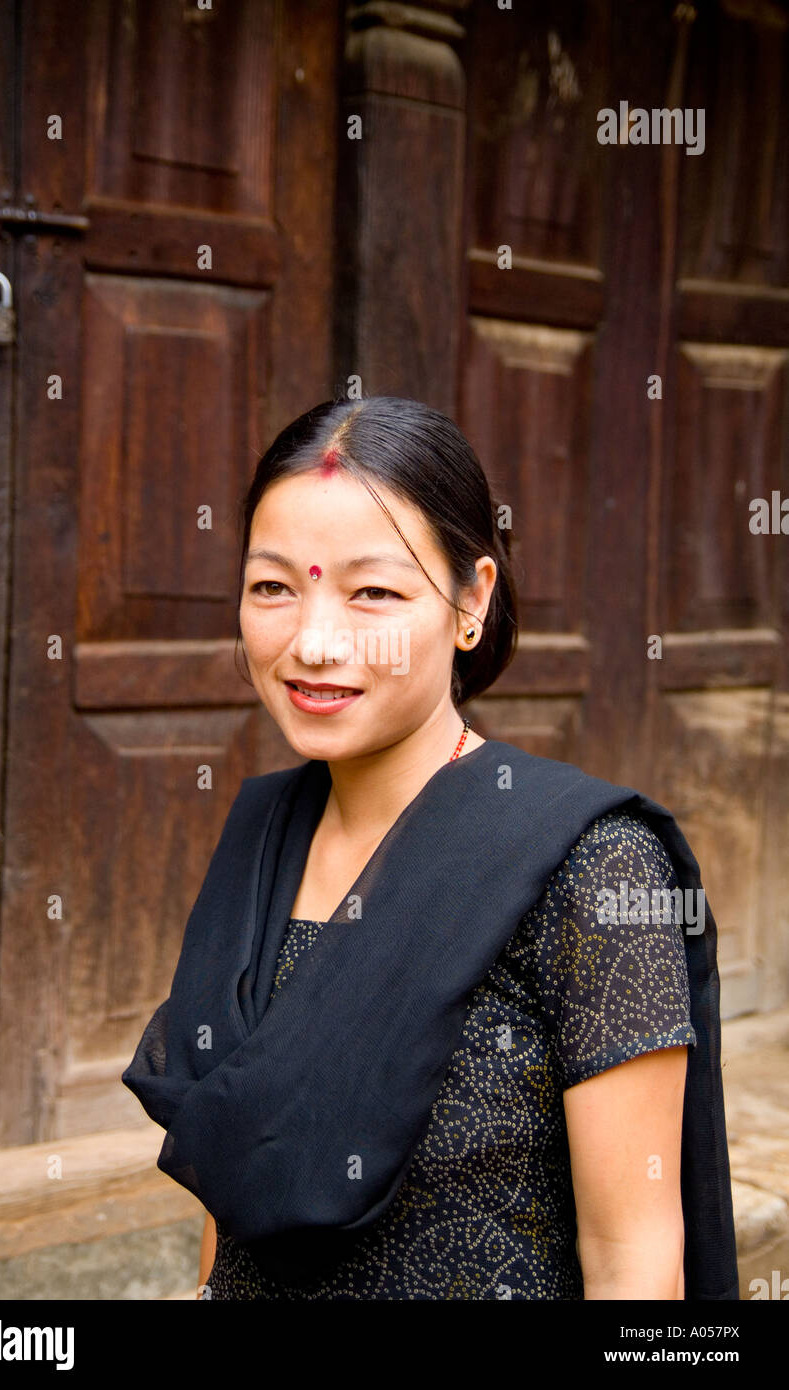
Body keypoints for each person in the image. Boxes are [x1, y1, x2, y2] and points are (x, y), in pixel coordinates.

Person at [122, 396, 737, 1301]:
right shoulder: (261, 838)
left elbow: (637, 1261)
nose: (314, 642)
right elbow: (237, 1175)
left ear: (471, 601)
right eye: (272, 587)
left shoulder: (592, 867)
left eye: (374, 591)